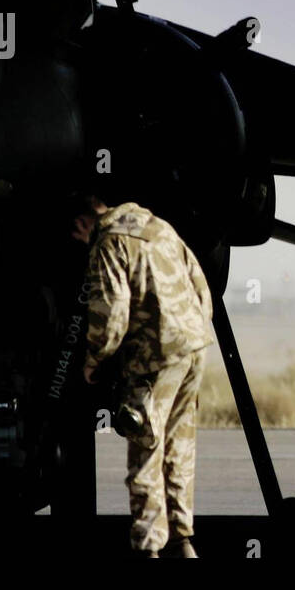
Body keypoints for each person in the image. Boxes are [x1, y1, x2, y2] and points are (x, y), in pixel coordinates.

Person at [71, 194, 215, 558]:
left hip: (154, 358)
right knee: (178, 447)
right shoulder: (160, 227)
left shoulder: (108, 241)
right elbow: (202, 289)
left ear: (83, 221)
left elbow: (112, 311)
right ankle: (183, 540)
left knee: (145, 451)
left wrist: (94, 359)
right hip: (193, 349)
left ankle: (148, 548)